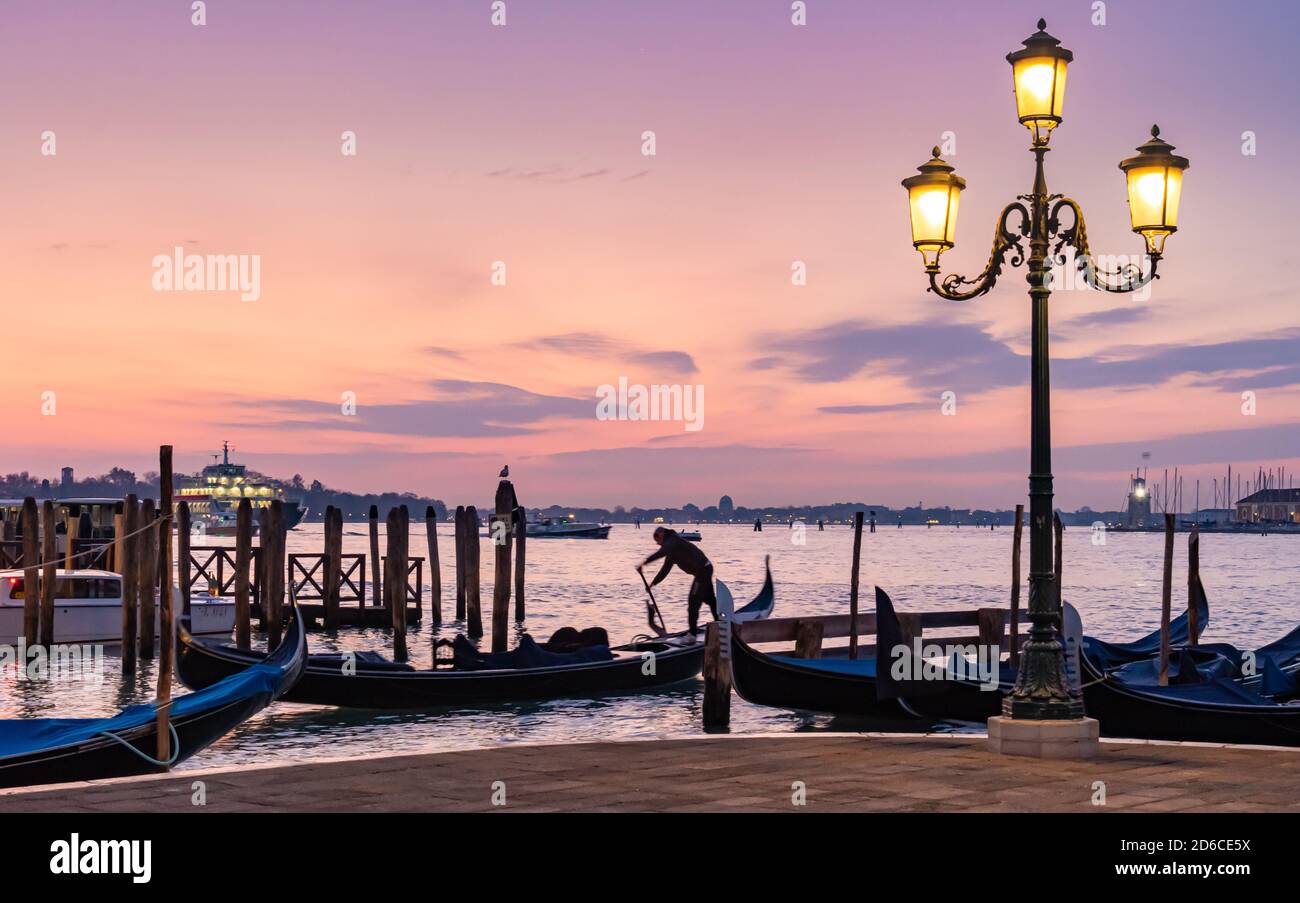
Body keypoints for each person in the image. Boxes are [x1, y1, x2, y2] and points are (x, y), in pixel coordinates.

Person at [638, 527, 716, 634]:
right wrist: (652, 584)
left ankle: (692, 634)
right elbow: (664, 570)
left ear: (661, 534)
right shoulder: (671, 550)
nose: (658, 545)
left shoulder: (673, 541)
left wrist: (644, 563)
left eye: (658, 541)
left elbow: (661, 552)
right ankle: (720, 623)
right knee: (710, 600)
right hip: (704, 571)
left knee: (693, 602)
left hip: (703, 571)